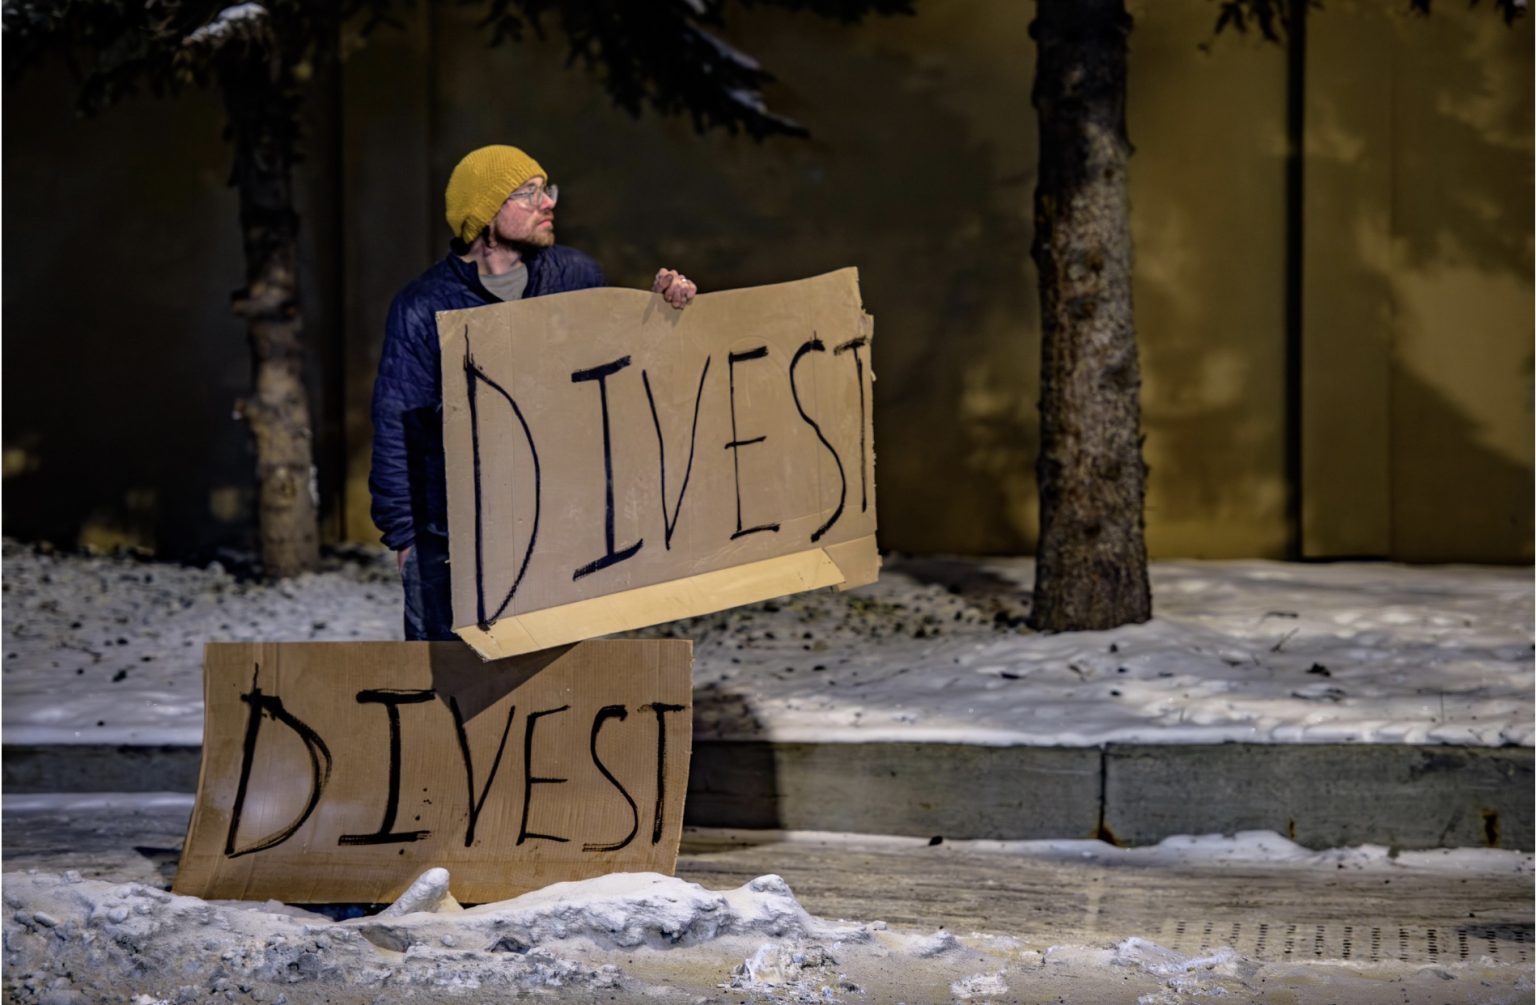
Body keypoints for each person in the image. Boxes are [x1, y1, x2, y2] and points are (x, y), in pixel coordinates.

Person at [369, 144, 697, 641]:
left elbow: (621, 380)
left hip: (564, 527)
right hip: (456, 534)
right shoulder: (424, 306)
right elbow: (397, 422)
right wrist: (406, 540)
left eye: (547, 190)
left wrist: (661, 313)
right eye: (528, 193)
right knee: (452, 692)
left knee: (560, 691)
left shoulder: (575, 278)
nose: (548, 203)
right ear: (482, 214)